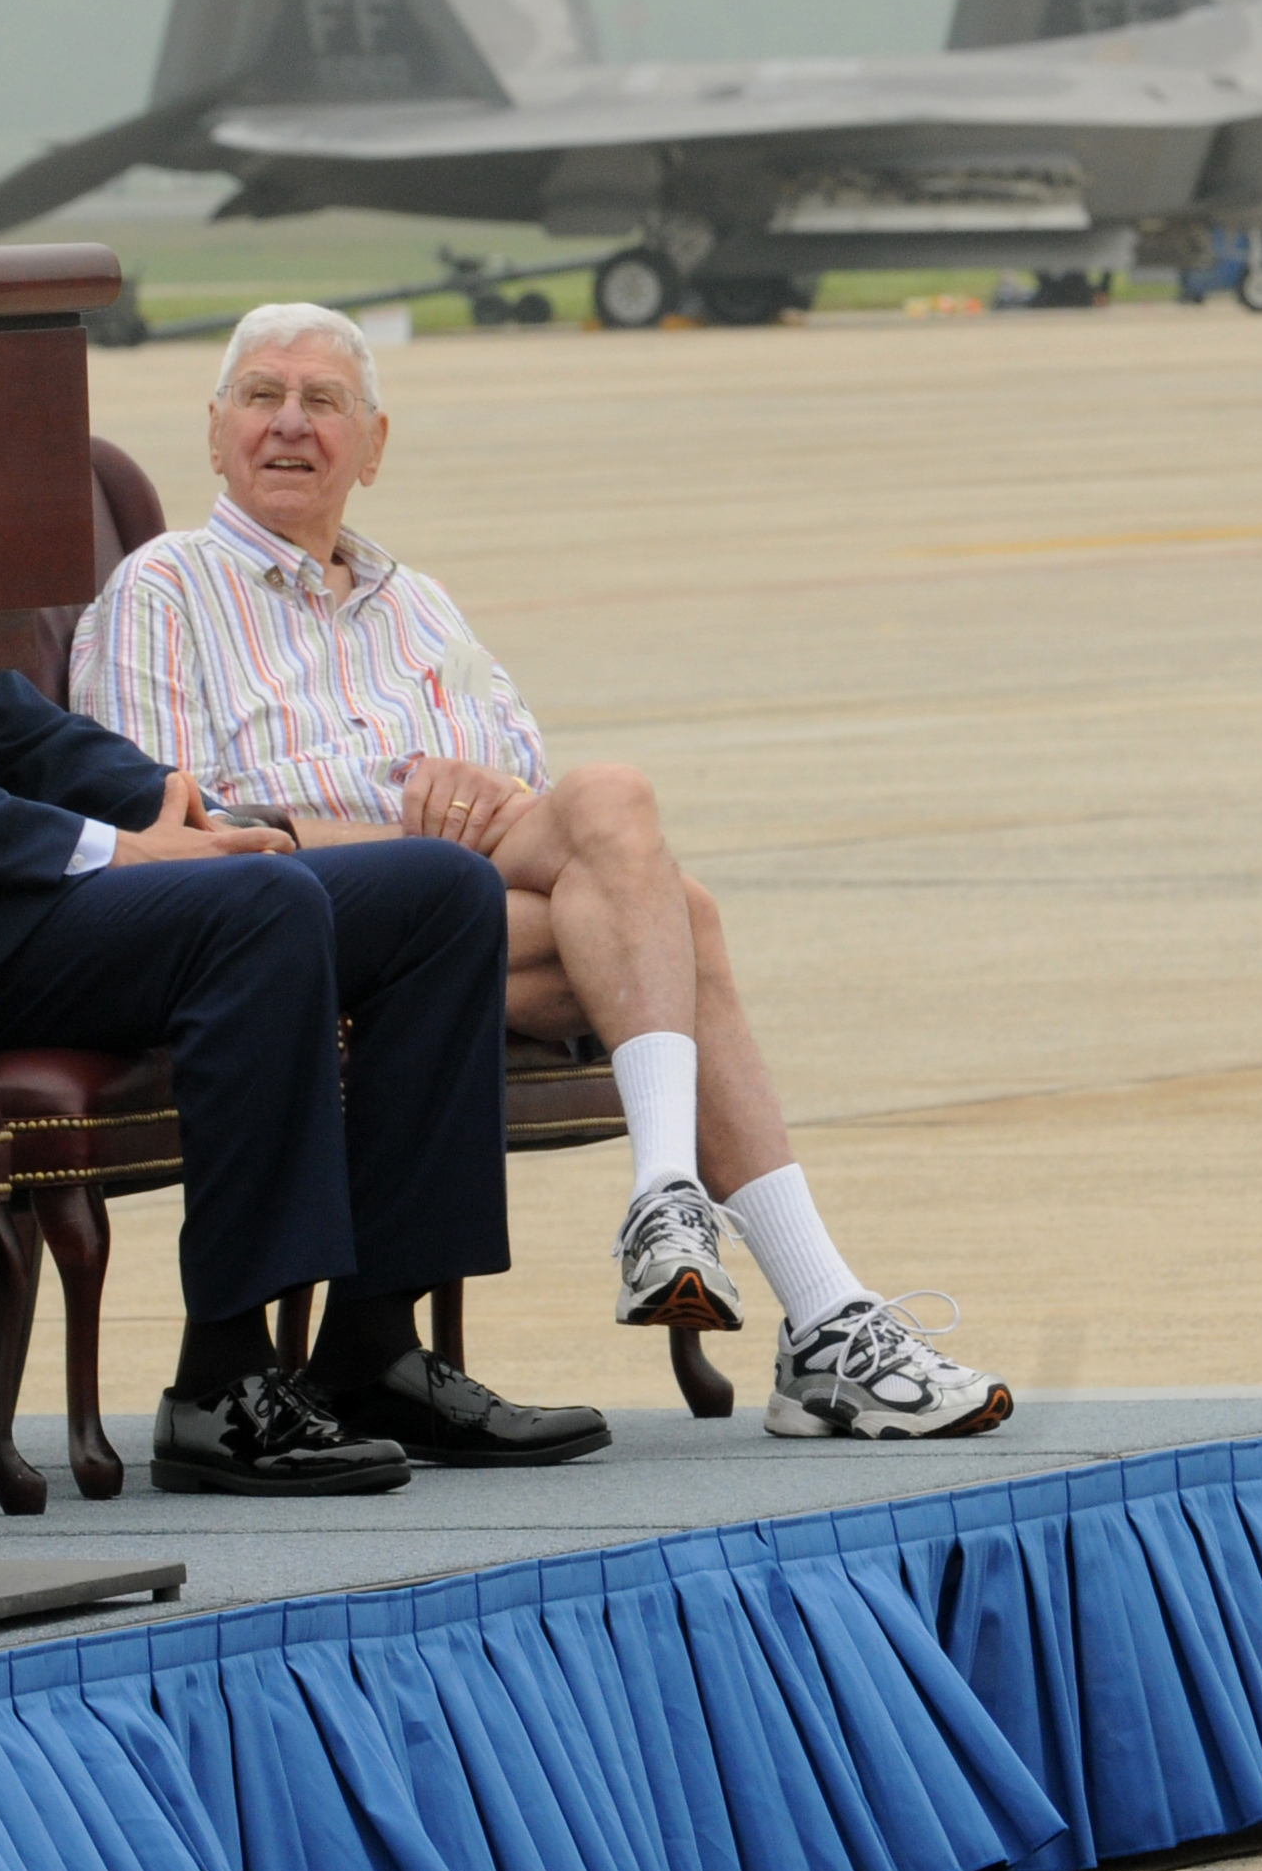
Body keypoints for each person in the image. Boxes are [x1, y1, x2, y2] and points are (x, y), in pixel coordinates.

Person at [73, 303, 1012, 1441]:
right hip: (278, 908)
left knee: (616, 818)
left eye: (323, 403)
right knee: (674, 914)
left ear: (373, 447)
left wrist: (472, 792)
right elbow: (171, 823)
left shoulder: (413, 602)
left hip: (450, 911)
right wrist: (406, 823)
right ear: (214, 431)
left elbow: (528, 779)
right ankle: (805, 1302)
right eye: (261, 397)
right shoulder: (162, 588)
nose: (289, 424)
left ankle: (718, 1240)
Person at [0, 667, 610, 1487]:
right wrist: (120, 847)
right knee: (261, 902)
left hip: (41, 890)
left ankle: (375, 1352)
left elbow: (27, 734)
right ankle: (219, 1381)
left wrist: (195, 814)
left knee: (443, 890)